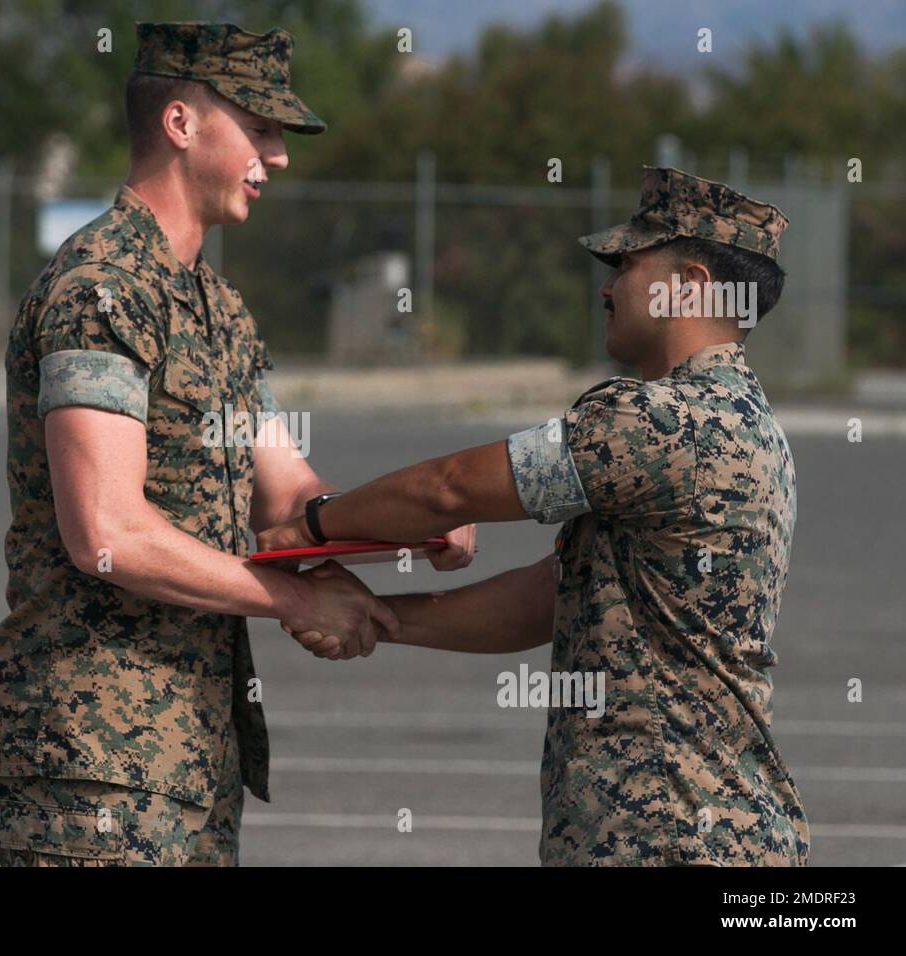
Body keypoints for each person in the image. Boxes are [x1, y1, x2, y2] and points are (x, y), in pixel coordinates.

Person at [0, 20, 475, 867]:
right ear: (181, 124)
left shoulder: (214, 307)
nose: (276, 157)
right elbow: (106, 535)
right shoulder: (103, 289)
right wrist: (299, 602)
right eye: (262, 128)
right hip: (92, 755)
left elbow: (286, 501)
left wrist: (413, 524)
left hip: (188, 754)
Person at [260, 166, 809, 866]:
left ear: (691, 287)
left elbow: (449, 490)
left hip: (662, 835)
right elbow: (554, 596)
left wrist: (311, 525)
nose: (607, 287)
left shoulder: (660, 422)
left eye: (626, 265)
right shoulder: (748, 424)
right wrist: (380, 619)